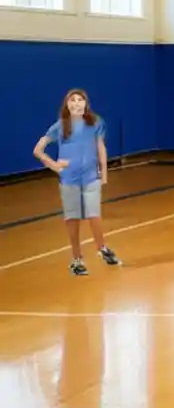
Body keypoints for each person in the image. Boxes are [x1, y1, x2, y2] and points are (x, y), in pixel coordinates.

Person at [32, 89, 121, 276]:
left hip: (90, 176)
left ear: (86, 104)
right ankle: (77, 259)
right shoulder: (60, 126)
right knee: (72, 218)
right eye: (73, 100)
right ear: (67, 105)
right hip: (69, 179)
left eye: (80, 100)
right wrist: (55, 166)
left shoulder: (96, 123)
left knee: (94, 213)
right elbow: (38, 150)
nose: (77, 103)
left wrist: (104, 172)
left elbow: (100, 147)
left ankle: (102, 248)